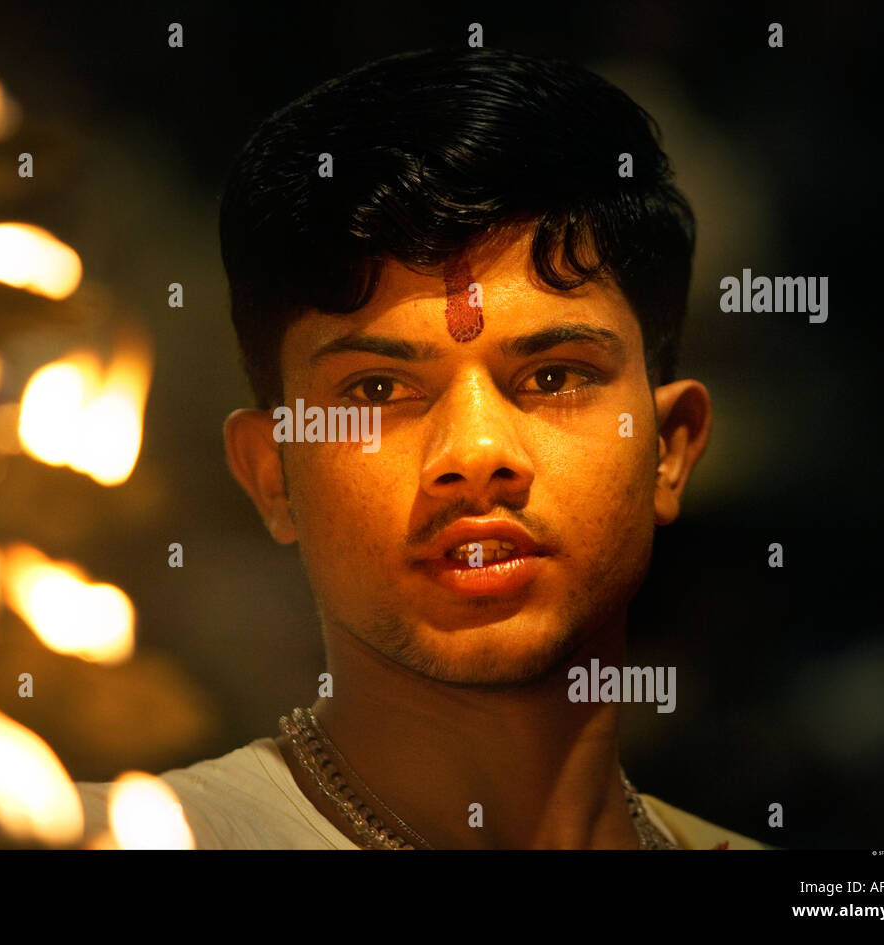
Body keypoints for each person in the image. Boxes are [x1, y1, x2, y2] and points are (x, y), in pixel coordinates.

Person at [77, 46, 768, 849]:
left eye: (553, 376)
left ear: (671, 450)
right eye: (377, 390)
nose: (475, 452)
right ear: (272, 476)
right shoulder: (120, 838)